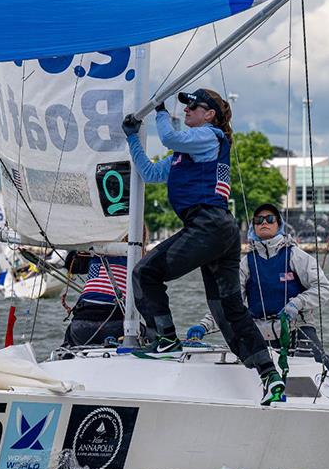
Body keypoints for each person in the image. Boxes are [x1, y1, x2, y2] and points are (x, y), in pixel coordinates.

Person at [122, 88, 284, 404]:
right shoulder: (189, 152)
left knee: (145, 273)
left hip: (209, 225)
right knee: (226, 308)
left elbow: (169, 137)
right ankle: (269, 374)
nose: (187, 111)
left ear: (209, 114)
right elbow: (151, 173)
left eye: (192, 107)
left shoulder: (209, 137)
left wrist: (159, 112)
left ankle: (166, 339)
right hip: (220, 230)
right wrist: (132, 138)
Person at [186, 203, 329, 360]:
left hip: (297, 328)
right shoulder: (246, 263)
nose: (264, 223)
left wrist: (297, 303)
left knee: (320, 368)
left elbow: (323, 288)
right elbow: (229, 303)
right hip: (260, 334)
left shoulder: (296, 256)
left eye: (270, 219)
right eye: (258, 220)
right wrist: (203, 326)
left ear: (279, 224)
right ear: (253, 226)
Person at [62, 251, 127, 347]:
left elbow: (71, 265)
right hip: (116, 325)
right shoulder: (134, 259)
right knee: (144, 332)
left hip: (80, 325)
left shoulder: (95, 258)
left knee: (69, 342)